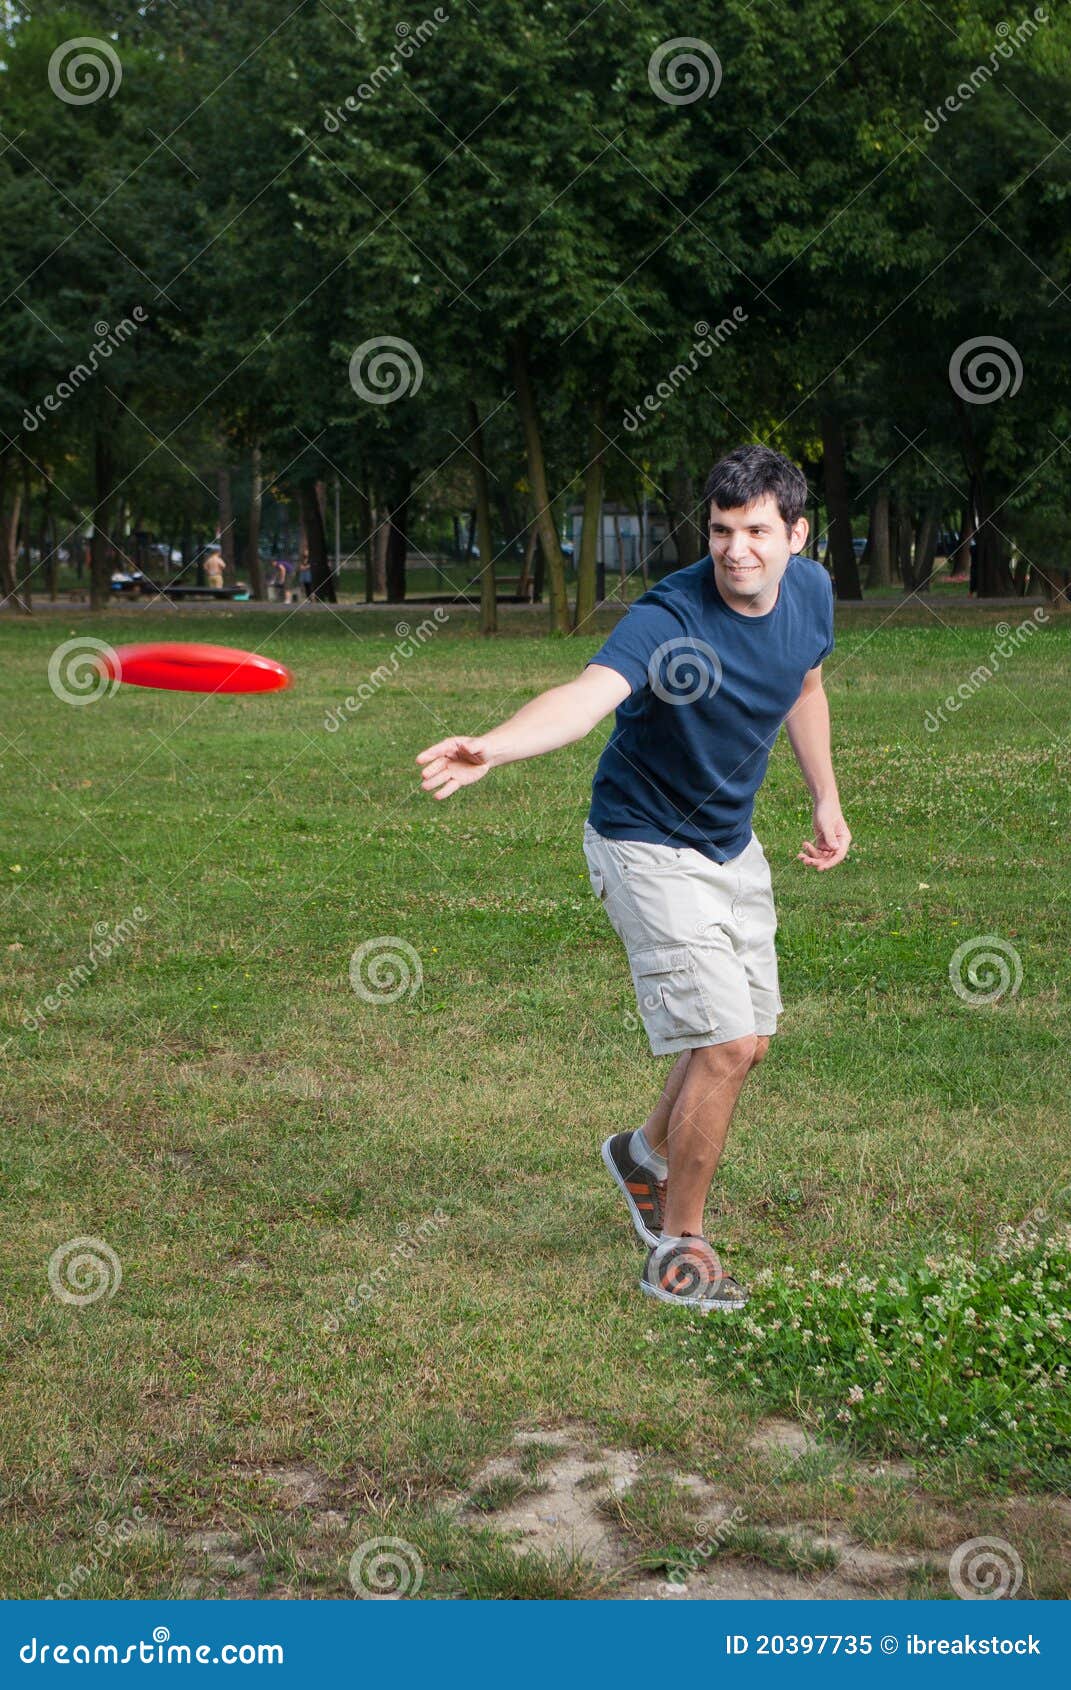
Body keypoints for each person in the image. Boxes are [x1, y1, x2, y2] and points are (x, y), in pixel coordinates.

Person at [416, 445, 851, 1313]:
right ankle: (678, 1246)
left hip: (729, 843)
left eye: (757, 532)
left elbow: (803, 681)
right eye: (722, 531)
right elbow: (584, 697)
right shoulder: (669, 614)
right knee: (724, 1045)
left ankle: (643, 1153)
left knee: (746, 1041)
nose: (736, 551)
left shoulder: (810, 592)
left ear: (795, 535)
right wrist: (494, 745)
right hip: (642, 841)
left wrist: (825, 796)